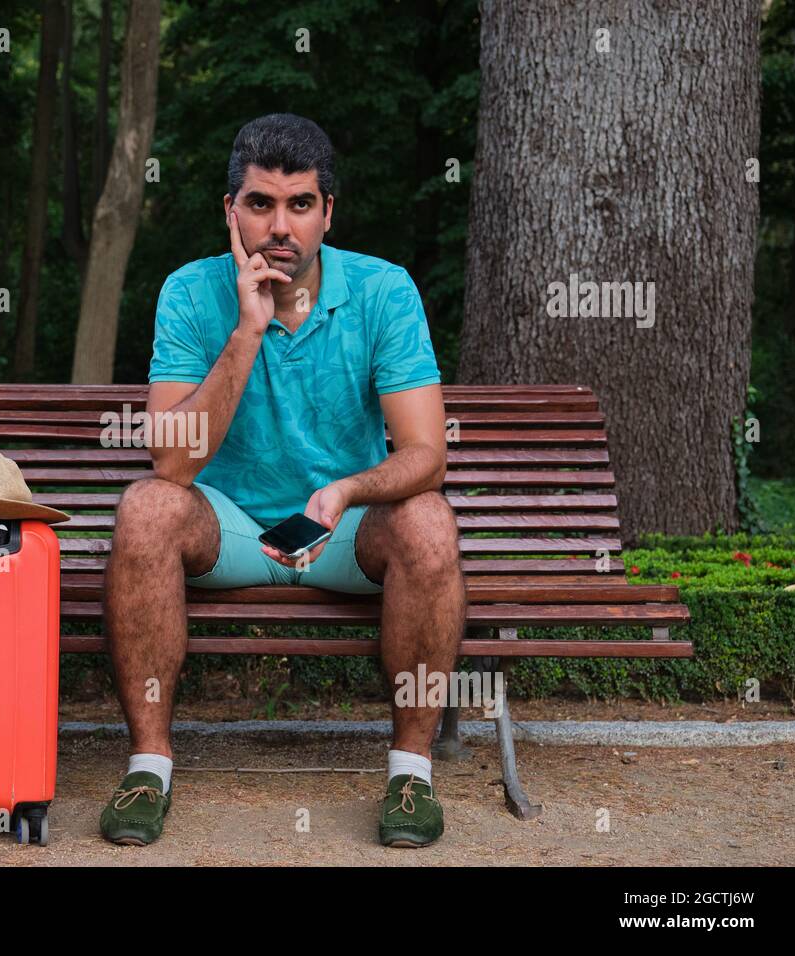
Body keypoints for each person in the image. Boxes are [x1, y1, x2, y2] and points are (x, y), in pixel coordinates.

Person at [98, 113, 466, 848]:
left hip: (342, 528)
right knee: (145, 509)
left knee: (428, 518)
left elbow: (427, 453)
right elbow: (171, 463)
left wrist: (348, 492)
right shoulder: (190, 292)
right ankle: (147, 767)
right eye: (260, 203)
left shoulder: (383, 291)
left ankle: (411, 773)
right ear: (229, 210)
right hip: (228, 525)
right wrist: (248, 328)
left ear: (329, 211)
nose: (280, 226)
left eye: (300, 204)